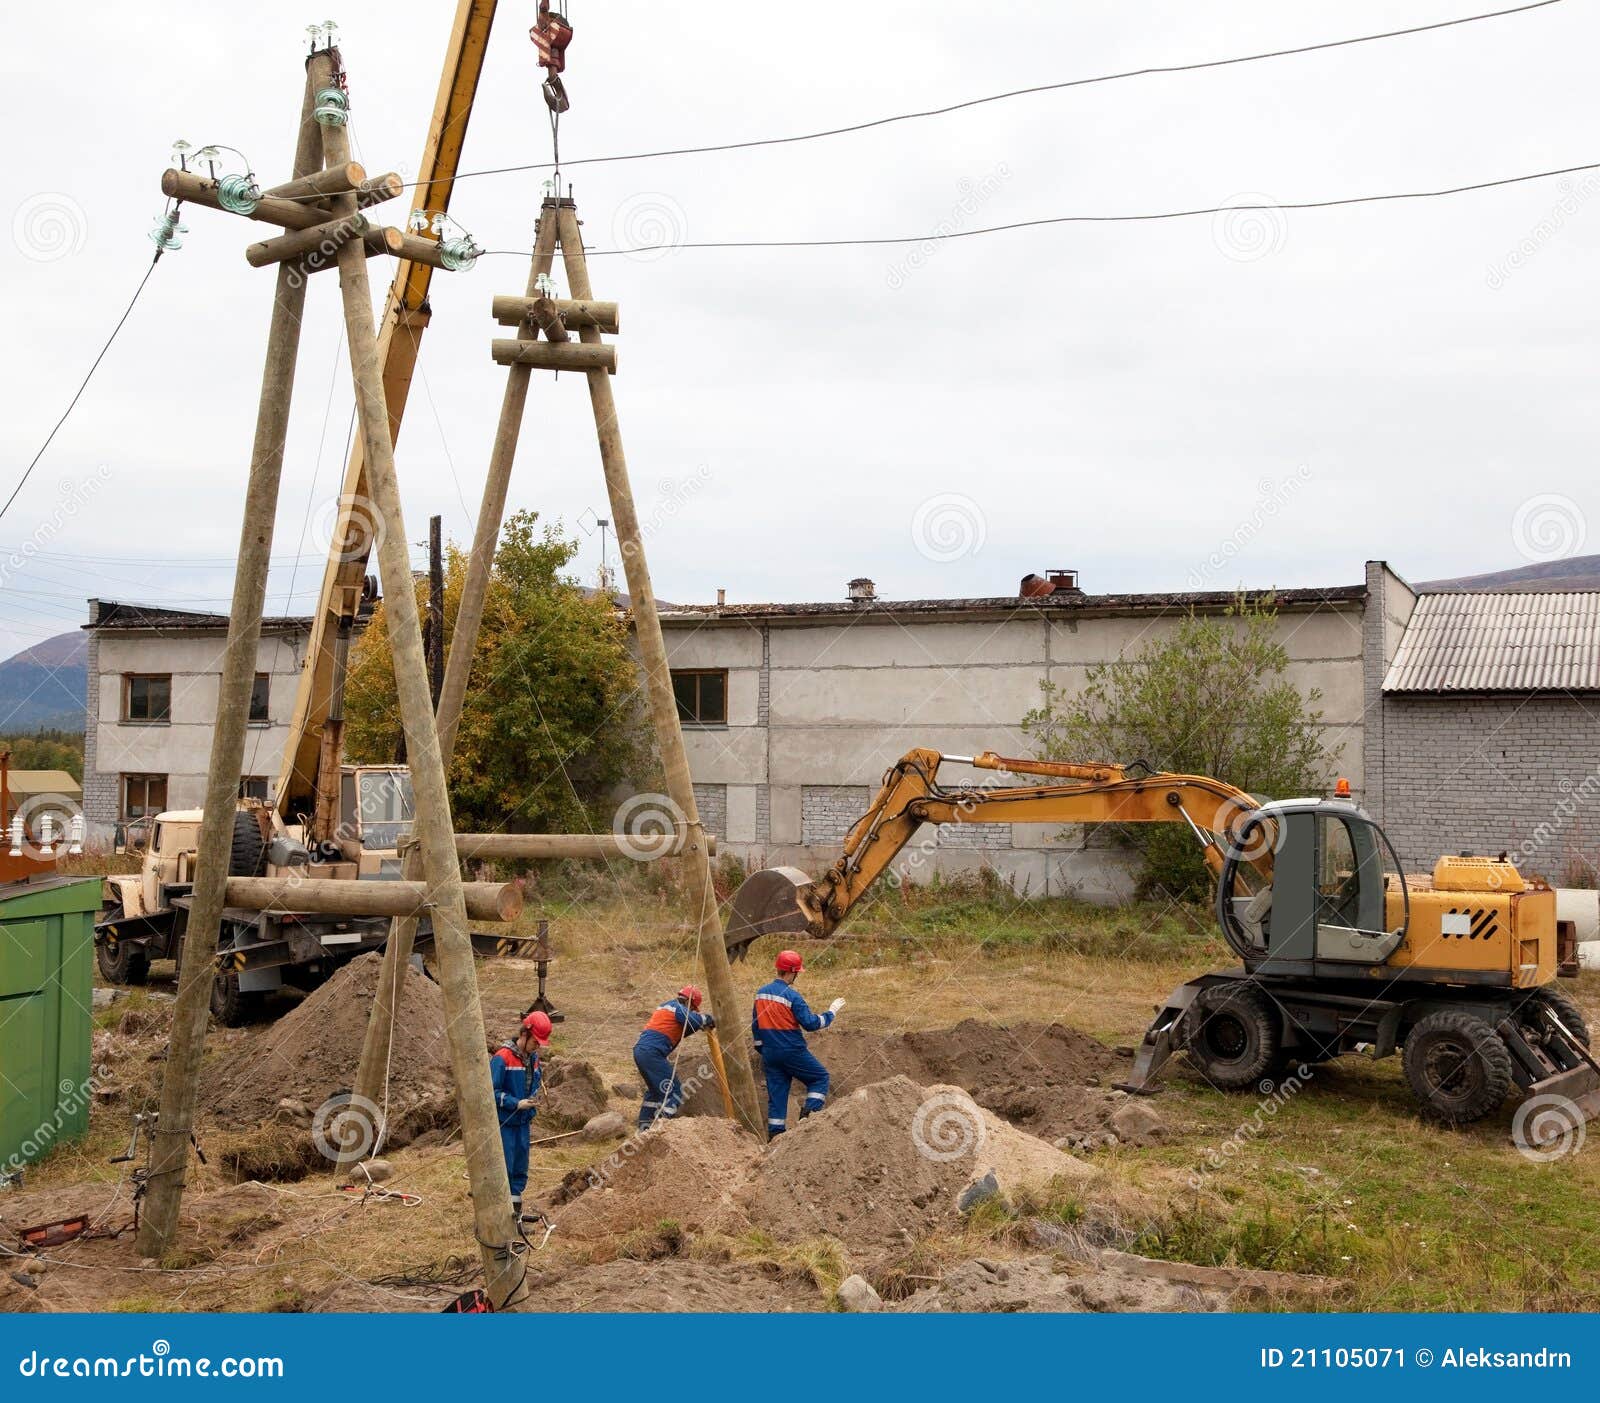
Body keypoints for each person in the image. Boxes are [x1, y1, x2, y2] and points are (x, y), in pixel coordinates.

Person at [751, 950, 844, 1139]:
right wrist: (831, 1013)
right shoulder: (793, 997)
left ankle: (775, 1137)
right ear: (791, 972)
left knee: (777, 1097)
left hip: (770, 1053)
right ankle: (808, 1117)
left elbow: (755, 1024)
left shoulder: (760, 994)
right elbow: (811, 1024)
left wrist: (763, 1049)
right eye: (796, 973)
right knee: (820, 1078)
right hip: (792, 1050)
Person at [491, 1010, 551, 1212]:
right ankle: (499, 1217)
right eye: (536, 1042)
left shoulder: (533, 1058)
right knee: (505, 1170)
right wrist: (515, 1103)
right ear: (525, 1034)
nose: (537, 1048)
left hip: (523, 1123)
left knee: (519, 1169)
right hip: (505, 1124)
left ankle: (514, 1218)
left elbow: (534, 1082)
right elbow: (491, 1093)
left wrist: (535, 1098)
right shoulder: (502, 1058)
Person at [633, 985, 715, 1130]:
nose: (692, 1011)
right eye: (693, 1009)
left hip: (642, 1051)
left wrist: (700, 1024)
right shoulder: (676, 1007)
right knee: (674, 1092)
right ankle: (659, 1130)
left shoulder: (667, 1008)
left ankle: (643, 1130)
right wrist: (707, 1019)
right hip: (652, 1053)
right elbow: (691, 1019)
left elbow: (686, 1027)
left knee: (655, 1093)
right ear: (689, 1002)